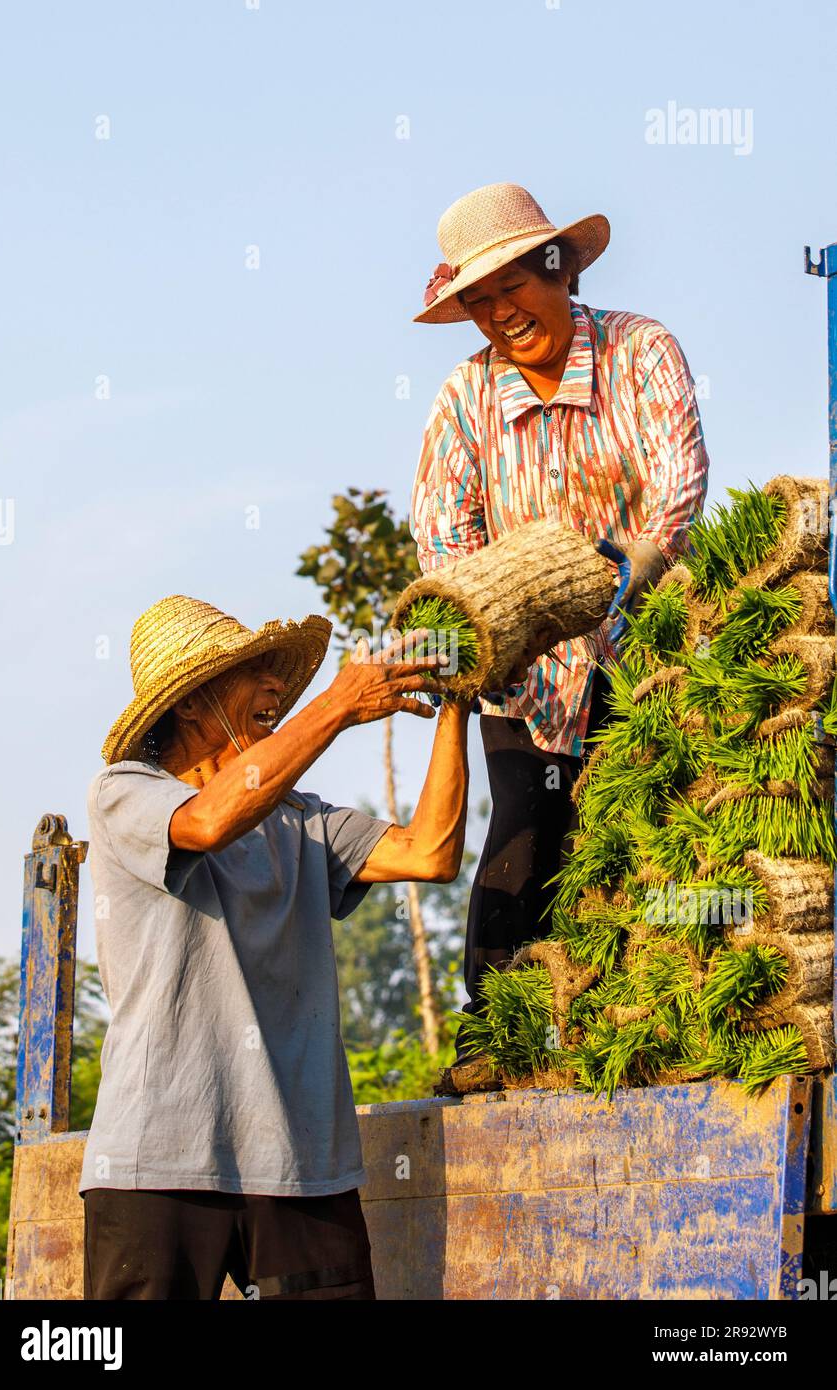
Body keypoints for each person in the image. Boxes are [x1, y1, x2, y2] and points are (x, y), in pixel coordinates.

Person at [80, 594, 469, 1300]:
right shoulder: (125, 794)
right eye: (254, 674)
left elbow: (432, 852)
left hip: (299, 1160)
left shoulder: (303, 821)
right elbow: (204, 823)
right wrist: (340, 705)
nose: (278, 690)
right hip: (155, 1159)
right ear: (194, 703)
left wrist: (459, 707)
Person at [409, 183, 709, 1078]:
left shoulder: (639, 351)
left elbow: (677, 489)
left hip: (646, 652)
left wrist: (615, 577)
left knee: (650, 837)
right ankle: (496, 1042)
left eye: (518, 289)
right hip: (524, 671)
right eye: (482, 302)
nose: (504, 316)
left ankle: (652, 1029)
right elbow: (443, 534)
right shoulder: (466, 395)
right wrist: (494, 620)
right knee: (524, 837)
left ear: (563, 268)